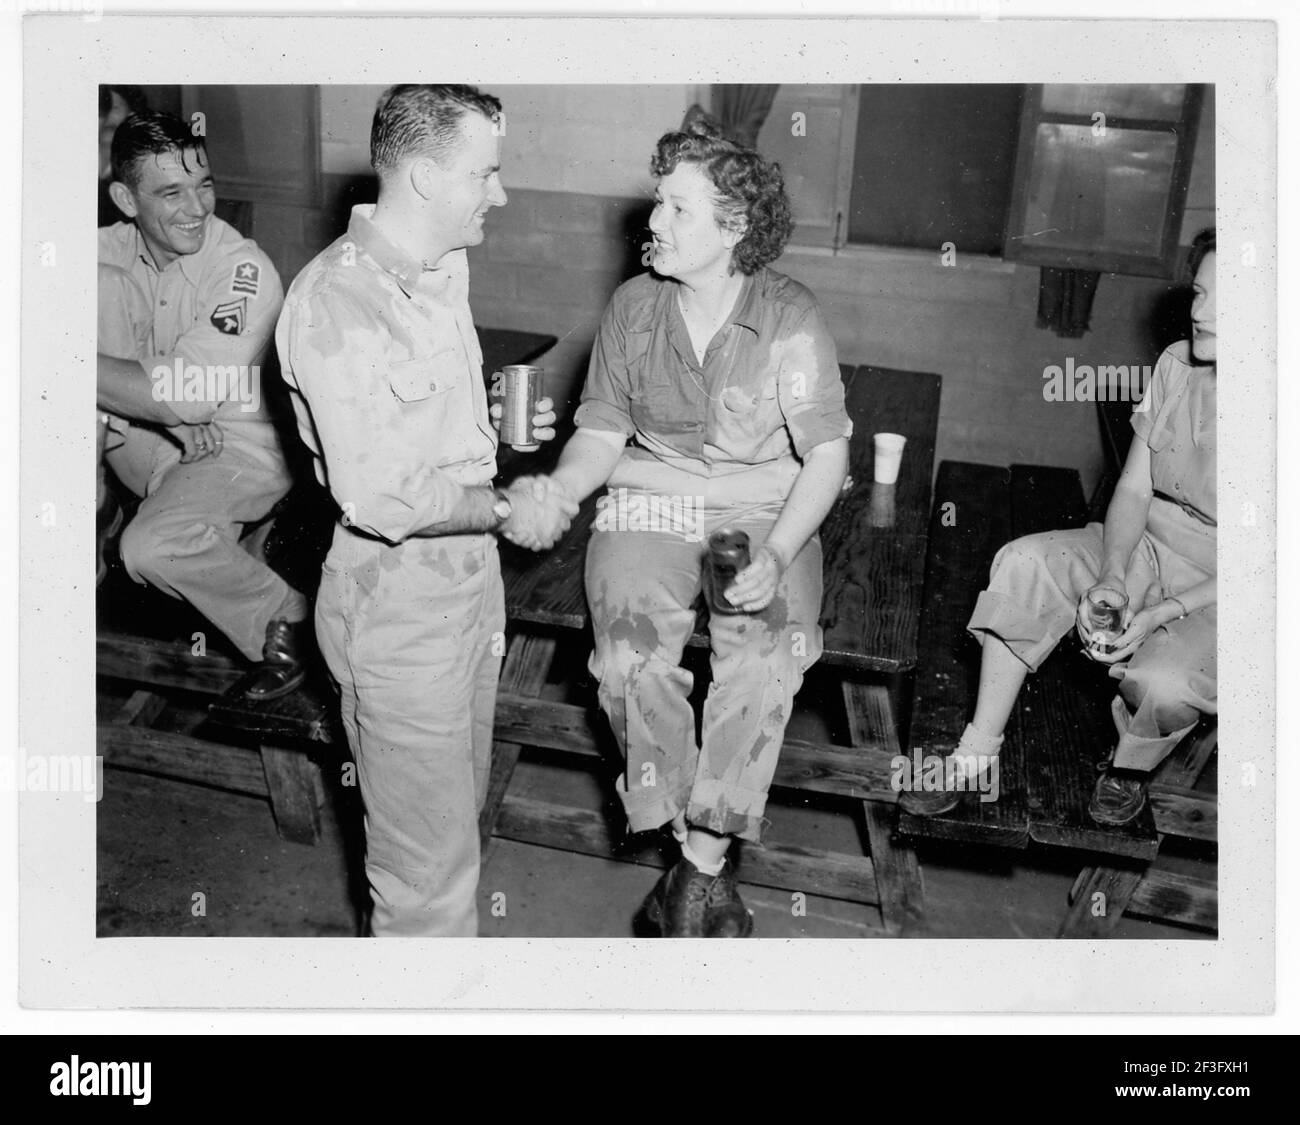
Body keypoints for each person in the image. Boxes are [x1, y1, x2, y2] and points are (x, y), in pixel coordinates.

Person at [276, 84, 571, 937]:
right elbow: (379, 492)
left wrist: (492, 433)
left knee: (451, 838)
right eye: (487, 173)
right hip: (396, 607)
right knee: (422, 887)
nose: (501, 193)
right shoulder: (334, 301)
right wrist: (507, 502)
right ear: (424, 177)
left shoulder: (441, 271)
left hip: (467, 592)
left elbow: (417, 429)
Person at [545, 119, 852, 937]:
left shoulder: (789, 317)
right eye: (658, 204)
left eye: (679, 210)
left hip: (763, 510)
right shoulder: (633, 307)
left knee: (764, 660)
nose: (655, 223)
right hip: (650, 499)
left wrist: (780, 550)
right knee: (627, 656)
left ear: (735, 227)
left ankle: (697, 867)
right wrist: (561, 488)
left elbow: (826, 456)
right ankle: (698, 849)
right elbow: (602, 434)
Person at [900, 230, 1218, 825]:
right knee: (1023, 562)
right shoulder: (1178, 364)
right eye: (1199, 293)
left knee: (1164, 682)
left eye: (1222, 301)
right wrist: (1114, 574)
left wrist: (1159, 613)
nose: (1200, 311)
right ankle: (977, 752)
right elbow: (1133, 487)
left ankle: (1128, 770)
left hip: (1228, 589)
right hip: (1146, 544)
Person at [98, 110, 310, 701]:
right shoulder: (99, 253)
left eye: (205, 184)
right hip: (140, 445)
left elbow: (186, 397)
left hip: (238, 445)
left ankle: (289, 617)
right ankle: (91, 504)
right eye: (171, 192)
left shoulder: (242, 267)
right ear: (125, 198)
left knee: (152, 547)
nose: (197, 207)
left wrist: (71, 362)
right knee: (88, 289)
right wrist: (155, 410)